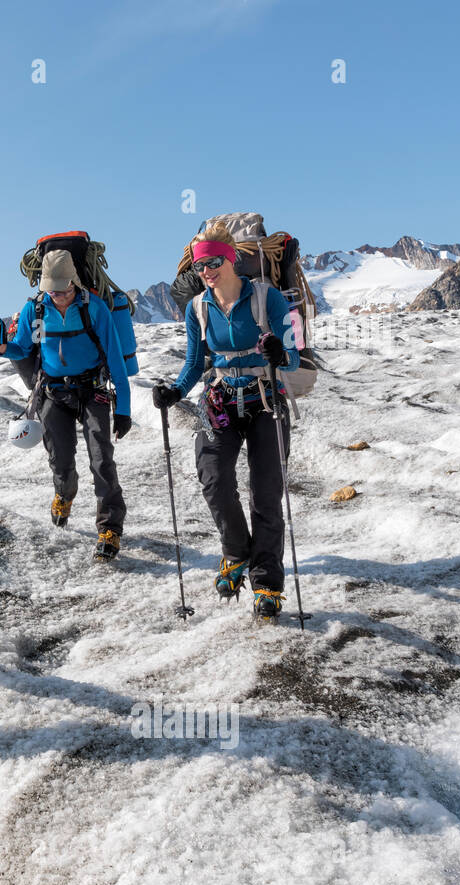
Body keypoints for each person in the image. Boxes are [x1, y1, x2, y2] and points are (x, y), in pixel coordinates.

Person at [151, 224, 300, 620]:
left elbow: (294, 357)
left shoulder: (268, 300)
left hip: (267, 399)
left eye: (214, 262)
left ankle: (266, 582)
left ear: (231, 258)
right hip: (220, 399)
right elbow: (194, 362)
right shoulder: (197, 307)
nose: (207, 271)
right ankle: (236, 553)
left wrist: (276, 351)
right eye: (200, 266)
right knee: (214, 479)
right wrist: (175, 391)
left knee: (266, 493)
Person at [0, 249, 133, 561]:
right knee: (61, 460)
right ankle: (63, 495)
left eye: (64, 290)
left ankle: (109, 529)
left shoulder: (95, 310)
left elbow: (116, 360)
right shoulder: (36, 310)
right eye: (53, 290)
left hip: (93, 392)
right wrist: (0, 344)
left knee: (101, 458)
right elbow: (23, 347)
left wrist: (124, 409)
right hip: (53, 392)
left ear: (75, 284)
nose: (60, 296)